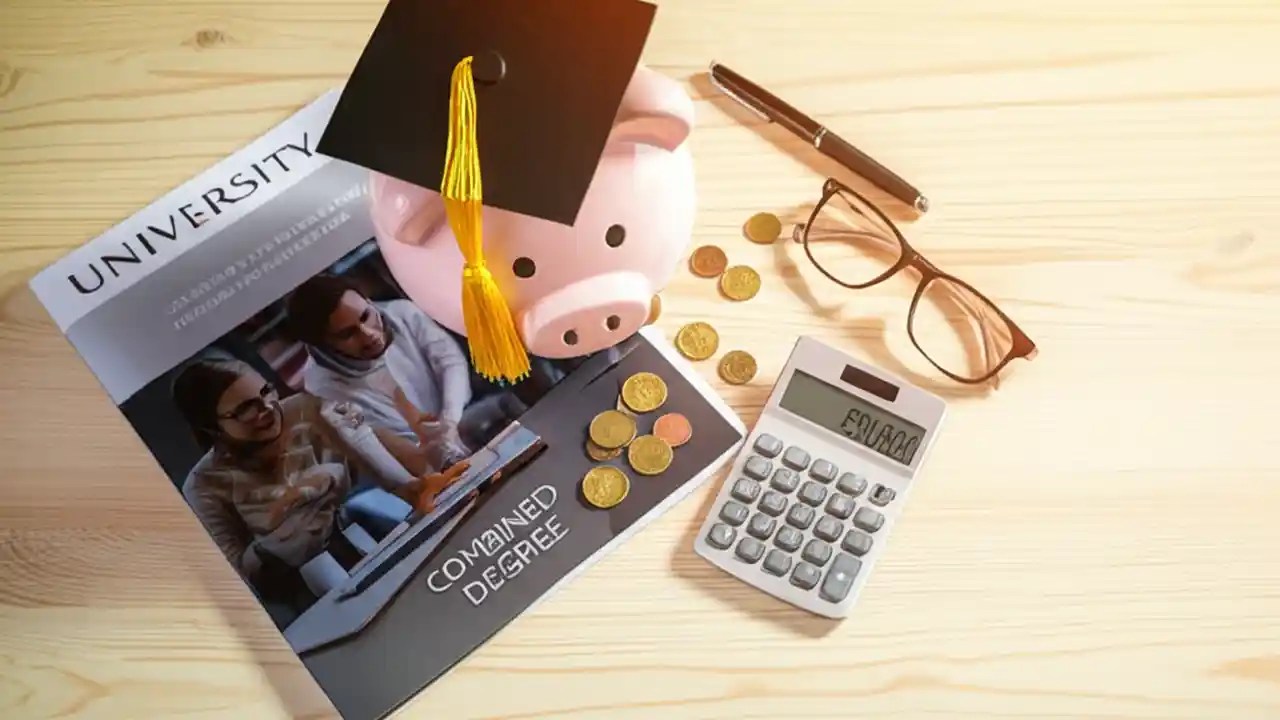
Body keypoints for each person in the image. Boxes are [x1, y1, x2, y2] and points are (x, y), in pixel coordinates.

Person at [171, 356, 469, 594]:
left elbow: (371, 443)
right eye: (248, 408)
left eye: (265, 391)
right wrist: (283, 537)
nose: (268, 408)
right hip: (308, 588)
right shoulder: (203, 486)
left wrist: (417, 485)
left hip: (374, 530)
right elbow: (239, 577)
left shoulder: (304, 409)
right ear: (210, 427)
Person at [284, 274, 522, 474]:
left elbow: (450, 363)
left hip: (461, 417)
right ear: (322, 345)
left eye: (366, 315)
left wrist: (449, 421)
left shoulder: (402, 312)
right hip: (418, 460)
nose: (369, 334)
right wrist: (434, 449)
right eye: (348, 334)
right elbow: (374, 438)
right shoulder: (321, 389)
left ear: (368, 300)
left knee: (510, 403)